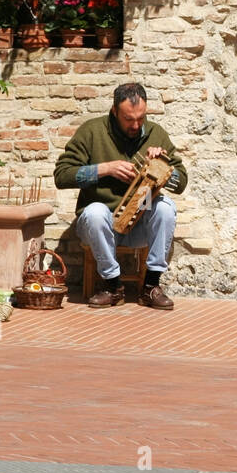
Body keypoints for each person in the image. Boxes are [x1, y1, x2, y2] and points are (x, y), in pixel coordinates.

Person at [54, 83, 188, 310]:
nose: (136, 125)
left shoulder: (156, 133)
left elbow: (181, 182)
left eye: (141, 118)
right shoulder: (92, 131)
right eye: (129, 119)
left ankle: (151, 286)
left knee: (165, 206)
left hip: (140, 222)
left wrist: (162, 165)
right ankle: (112, 286)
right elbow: (62, 176)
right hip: (102, 226)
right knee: (95, 212)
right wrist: (104, 169)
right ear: (114, 112)